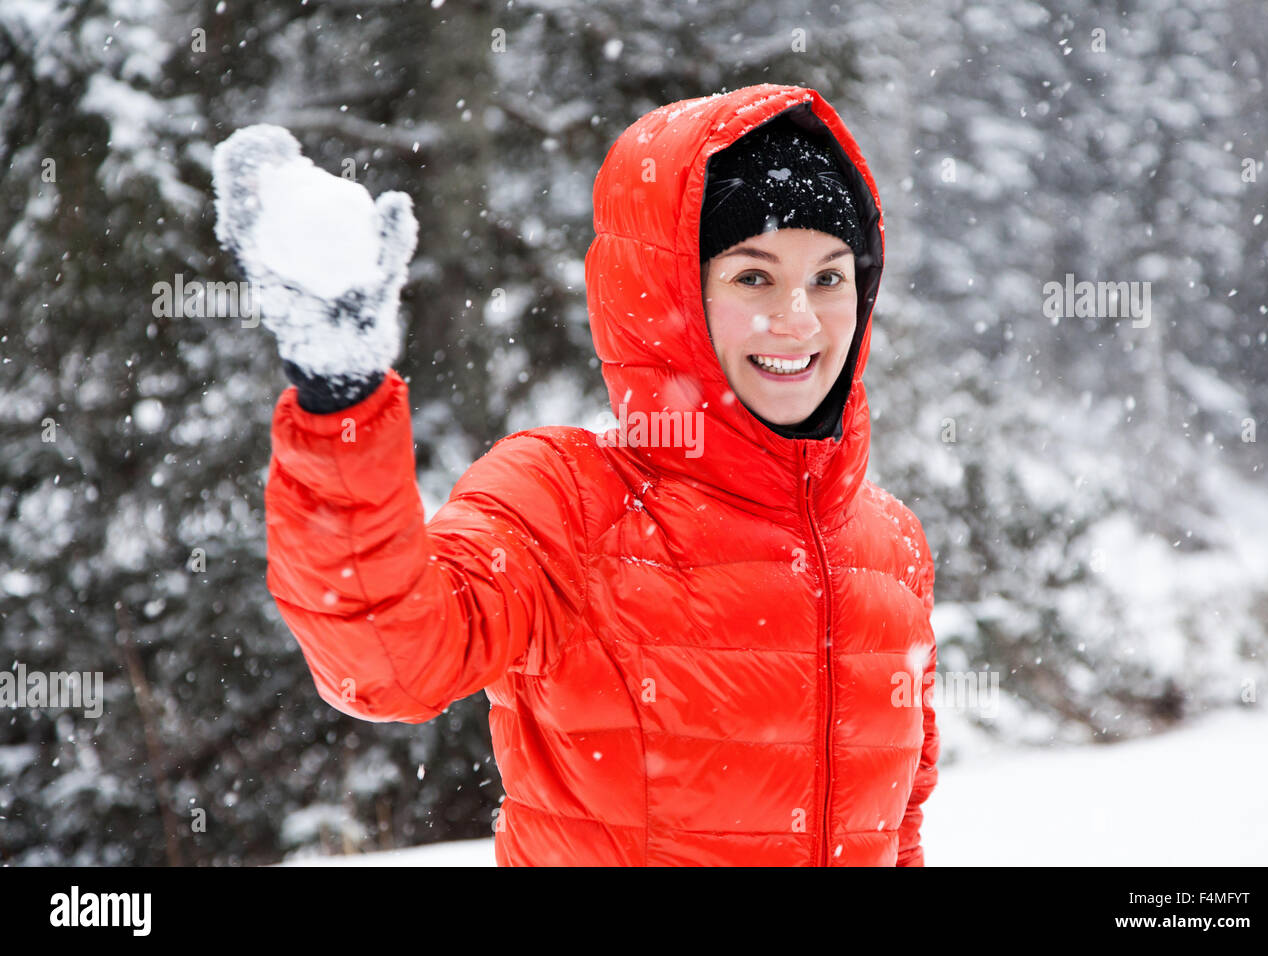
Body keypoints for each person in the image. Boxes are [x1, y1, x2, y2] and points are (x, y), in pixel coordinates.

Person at [212, 83, 938, 866]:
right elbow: (388, 660)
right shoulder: (566, 503)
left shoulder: (887, 544)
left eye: (829, 278)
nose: (798, 318)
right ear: (668, 297)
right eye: (752, 276)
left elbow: (898, 834)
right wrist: (341, 399)